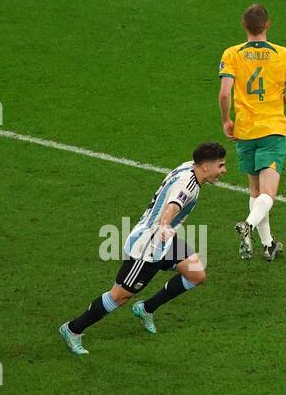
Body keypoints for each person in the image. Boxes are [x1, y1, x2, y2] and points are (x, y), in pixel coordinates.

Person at [59, 142, 227, 355]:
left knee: (196, 275)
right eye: (220, 165)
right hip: (148, 245)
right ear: (205, 167)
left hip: (165, 239)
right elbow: (172, 206)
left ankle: (145, 309)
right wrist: (165, 225)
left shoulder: (188, 167)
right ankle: (72, 329)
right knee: (119, 296)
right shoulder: (187, 186)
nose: (224, 170)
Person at [220, 3, 286, 261]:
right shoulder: (284, 54)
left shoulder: (232, 54)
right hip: (272, 130)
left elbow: (224, 93)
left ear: (244, 25)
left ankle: (268, 245)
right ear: (267, 25)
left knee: (255, 192)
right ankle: (248, 226)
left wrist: (226, 120)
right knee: (268, 194)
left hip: (245, 131)